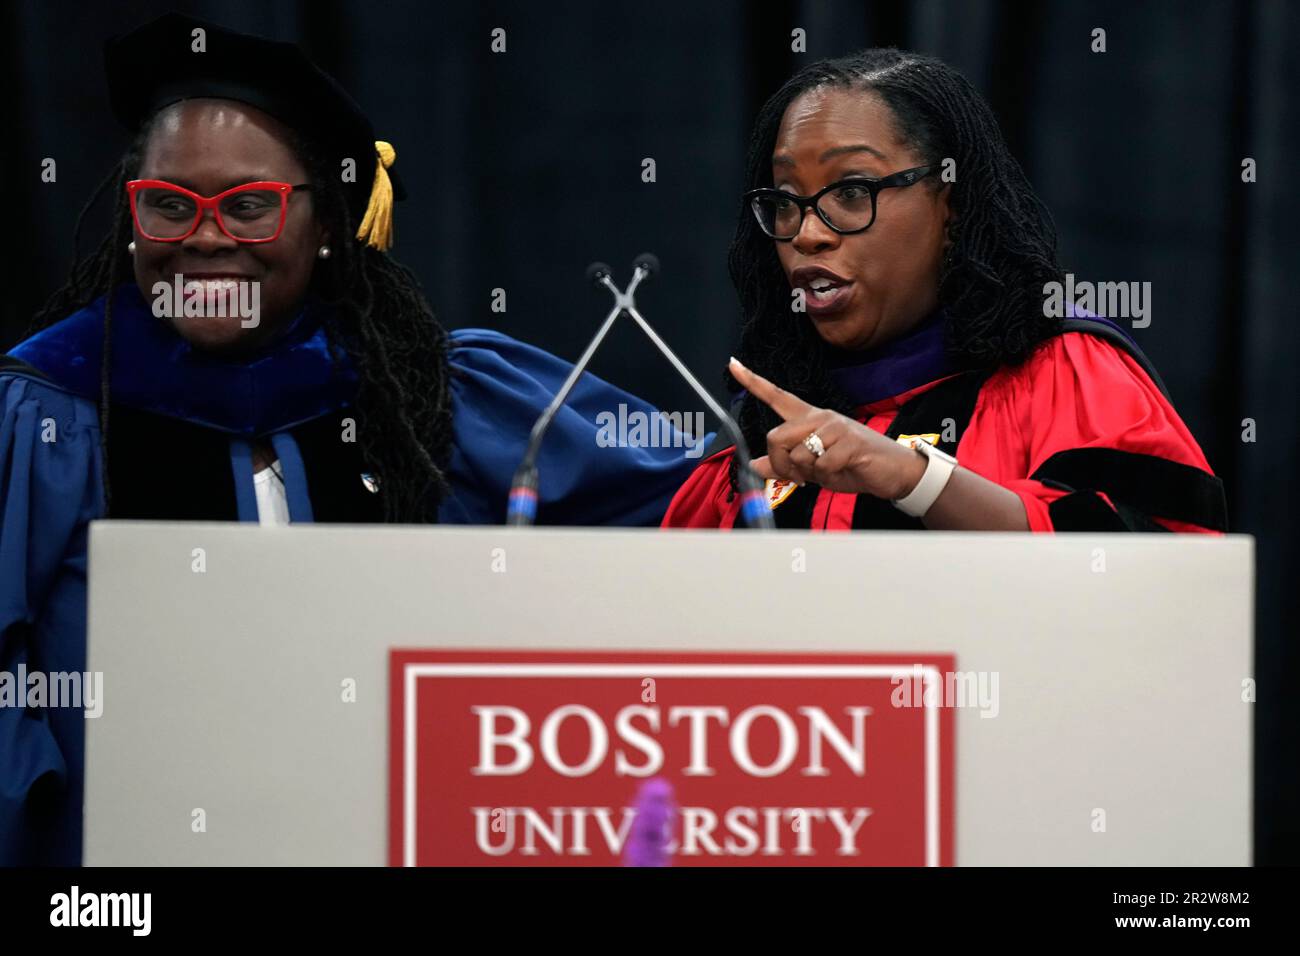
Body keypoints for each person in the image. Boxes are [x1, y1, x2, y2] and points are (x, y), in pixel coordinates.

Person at [0, 14, 703, 864]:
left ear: (329, 221)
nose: (207, 238)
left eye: (251, 205)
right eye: (168, 207)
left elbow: (694, 512)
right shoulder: (47, 413)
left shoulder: (434, 399)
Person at [663, 49, 1226, 534]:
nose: (808, 233)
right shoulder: (762, 431)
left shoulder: (1064, 374)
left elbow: (1156, 575)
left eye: (853, 191)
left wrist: (917, 478)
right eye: (786, 200)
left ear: (952, 206)